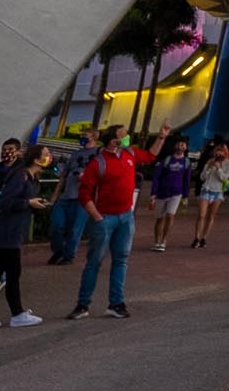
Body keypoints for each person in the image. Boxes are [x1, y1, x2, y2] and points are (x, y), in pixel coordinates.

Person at [68, 125, 142, 321]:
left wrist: (161, 137)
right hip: (106, 218)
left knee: (121, 260)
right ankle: (83, 304)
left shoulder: (128, 155)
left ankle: (116, 303)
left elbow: (150, 156)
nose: (127, 136)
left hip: (125, 217)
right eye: (123, 134)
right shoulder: (98, 163)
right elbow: (85, 194)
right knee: (94, 262)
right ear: (113, 140)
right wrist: (98, 217)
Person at [0, 143, 53, 328]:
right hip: (7, 231)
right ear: (36, 159)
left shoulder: (33, 178)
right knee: (11, 272)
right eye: (46, 154)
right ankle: (16, 313)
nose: (49, 157)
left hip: (14, 231)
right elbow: (6, 201)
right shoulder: (20, 175)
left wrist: (34, 204)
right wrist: (28, 203)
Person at [46, 131, 98, 265]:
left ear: (94, 137)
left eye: (86, 136)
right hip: (66, 196)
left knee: (75, 229)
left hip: (83, 199)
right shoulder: (75, 154)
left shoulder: (99, 154)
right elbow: (63, 175)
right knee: (56, 225)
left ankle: (69, 256)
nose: (82, 139)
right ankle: (58, 250)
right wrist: (55, 196)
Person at [148, 137, 194, 253]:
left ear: (186, 147)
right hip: (162, 193)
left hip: (176, 193)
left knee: (170, 215)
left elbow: (186, 180)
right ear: (175, 146)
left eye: (183, 145)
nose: (181, 147)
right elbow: (156, 177)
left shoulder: (187, 162)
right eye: (179, 144)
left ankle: (163, 240)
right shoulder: (166, 160)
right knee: (159, 218)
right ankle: (157, 241)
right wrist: (153, 192)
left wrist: (185, 196)